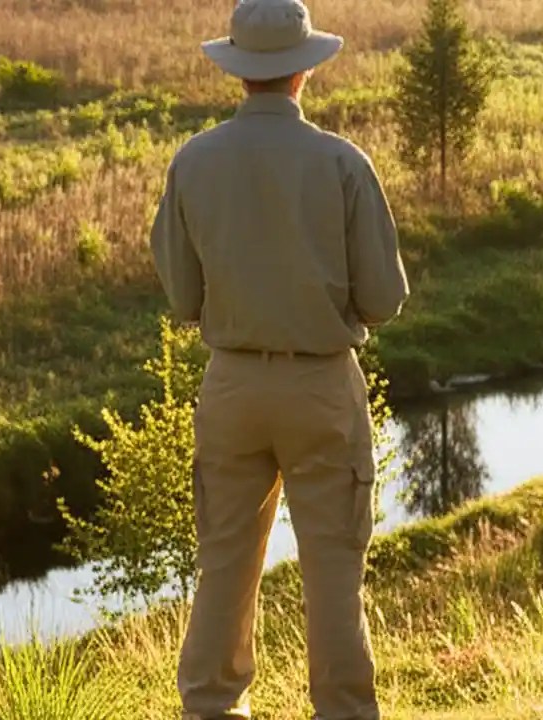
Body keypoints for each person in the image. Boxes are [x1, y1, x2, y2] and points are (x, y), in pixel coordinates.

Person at [150, 0, 409, 717]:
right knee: (333, 568)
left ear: (238, 71)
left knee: (224, 563)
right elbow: (385, 297)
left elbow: (181, 296)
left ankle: (211, 707)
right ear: (304, 71)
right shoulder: (342, 162)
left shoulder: (193, 161)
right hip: (322, 383)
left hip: (231, 383)